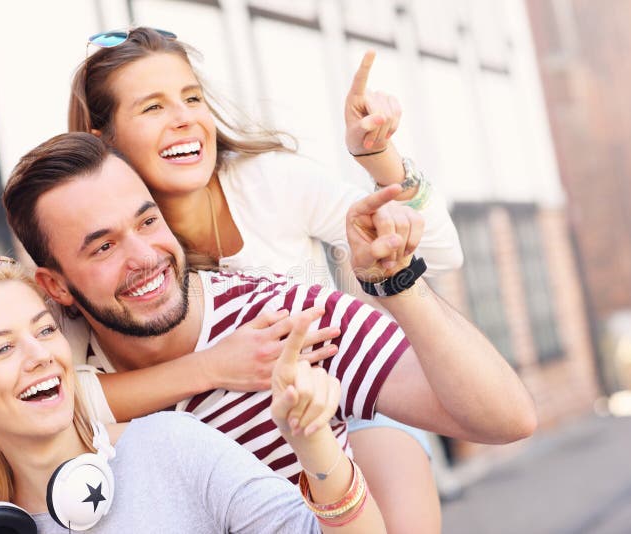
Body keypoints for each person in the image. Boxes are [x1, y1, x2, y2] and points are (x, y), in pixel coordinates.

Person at [2, 132, 537, 531]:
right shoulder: (51, 371)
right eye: (103, 247)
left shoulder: (285, 321)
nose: (145, 257)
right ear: (56, 285)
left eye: (147, 222)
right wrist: (208, 370)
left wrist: (397, 284)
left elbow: (507, 418)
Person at [68, 27, 463, 531]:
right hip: (226, 463)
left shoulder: (269, 183)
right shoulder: (99, 252)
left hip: (341, 404)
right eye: (153, 107)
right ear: (103, 140)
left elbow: (441, 251)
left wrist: (378, 156)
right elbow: (69, 400)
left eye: (192, 98)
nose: (184, 117)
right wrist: (212, 368)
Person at [0, 257, 387, 533]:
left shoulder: (169, 446)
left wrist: (314, 445)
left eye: (45, 330)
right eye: (2, 348)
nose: (40, 356)